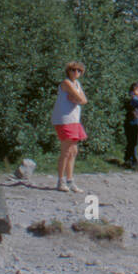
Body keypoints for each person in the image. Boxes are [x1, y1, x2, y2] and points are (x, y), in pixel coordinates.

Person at [51, 62, 88, 193]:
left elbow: (84, 100)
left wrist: (78, 99)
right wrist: (78, 99)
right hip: (64, 119)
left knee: (73, 151)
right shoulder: (66, 83)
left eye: (79, 70)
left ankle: (70, 180)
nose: (76, 72)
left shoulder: (77, 84)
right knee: (66, 151)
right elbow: (80, 98)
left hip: (74, 119)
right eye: (73, 70)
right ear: (69, 71)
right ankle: (60, 181)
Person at [123, 82, 138, 171]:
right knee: (133, 142)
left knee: (131, 142)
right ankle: (134, 161)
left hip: (133, 119)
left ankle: (128, 160)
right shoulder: (132, 97)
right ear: (136, 88)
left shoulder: (133, 97)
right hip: (133, 120)